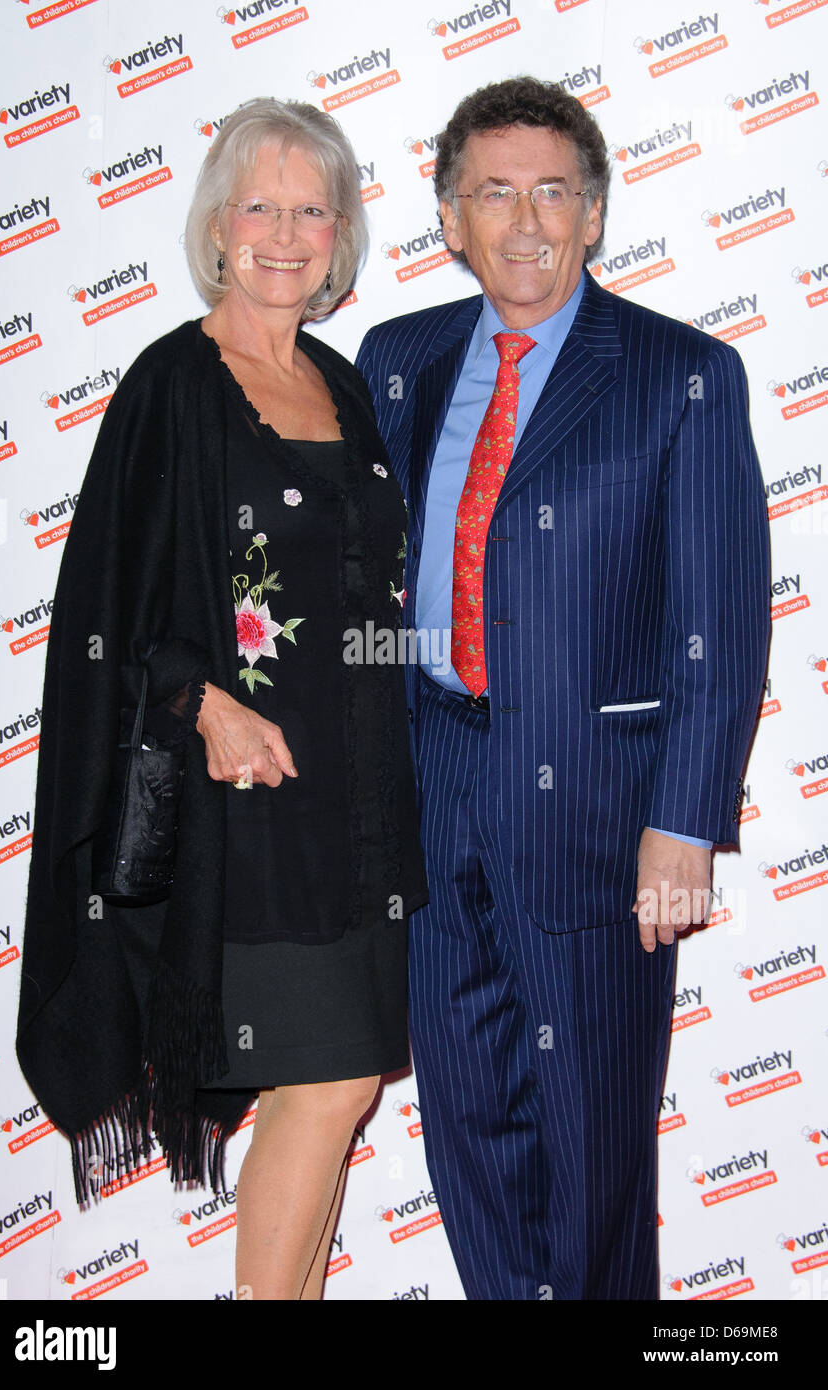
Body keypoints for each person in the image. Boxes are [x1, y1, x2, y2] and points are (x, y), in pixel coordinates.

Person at [356, 76, 770, 1300]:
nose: (525, 221)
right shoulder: (396, 361)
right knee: (467, 1124)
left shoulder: (678, 372)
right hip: (429, 788)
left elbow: (718, 625)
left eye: (552, 192)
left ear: (593, 214)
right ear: (449, 219)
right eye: (493, 193)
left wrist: (683, 821)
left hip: (598, 811)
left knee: (592, 1142)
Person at [16, 97, 426, 1301]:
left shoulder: (344, 387)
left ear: (341, 233)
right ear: (217, 226)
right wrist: (202, 702)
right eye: (261, 207)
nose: (286, 235)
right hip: (248, 814)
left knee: (342, 1084)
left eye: (311, 210)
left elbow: (368, 587)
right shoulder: (173, 386)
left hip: (359, 805)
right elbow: (106, 605)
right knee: (325, 1082)